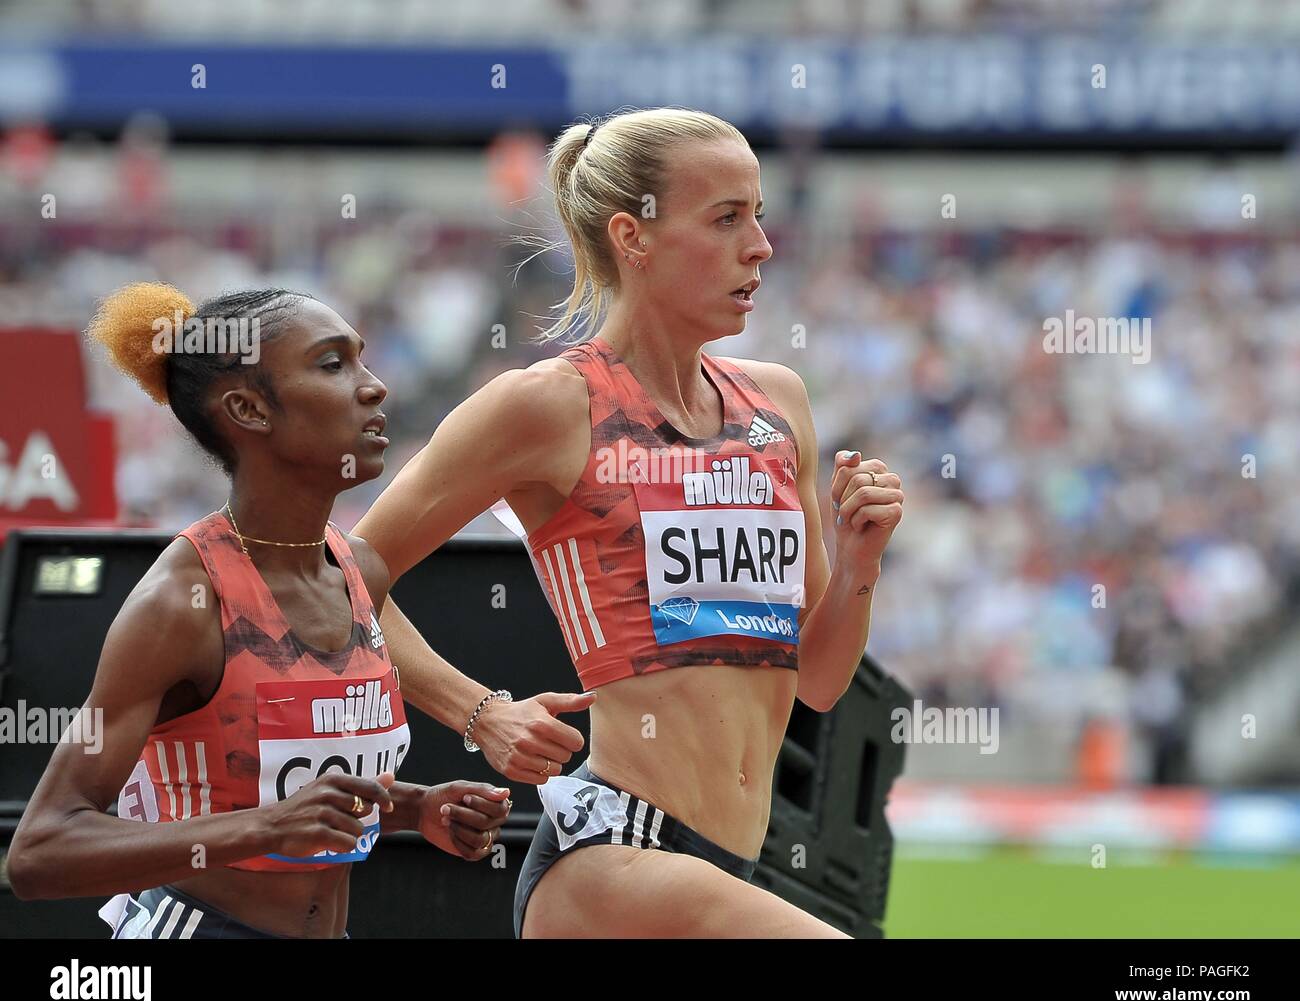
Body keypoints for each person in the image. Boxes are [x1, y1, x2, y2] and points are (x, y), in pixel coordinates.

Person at [354, 107, 905, 938]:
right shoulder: (548, 404)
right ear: (633, 235)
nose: (759, 245)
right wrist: (479, 711)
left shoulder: (778, 402)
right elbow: (339, 574)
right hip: (614, 854)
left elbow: (819, 681)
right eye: (725, 219)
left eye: (758, 214)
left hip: (724, 867)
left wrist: (860, 560)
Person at [7, 283, 511, 939]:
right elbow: (39, 851)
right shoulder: (182, 602)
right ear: (248, 408)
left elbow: (288, 790)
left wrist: (415, 808)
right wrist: (261, 829)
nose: (375, 387)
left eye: (362, 358)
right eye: (333, 364)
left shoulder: (361, 571)